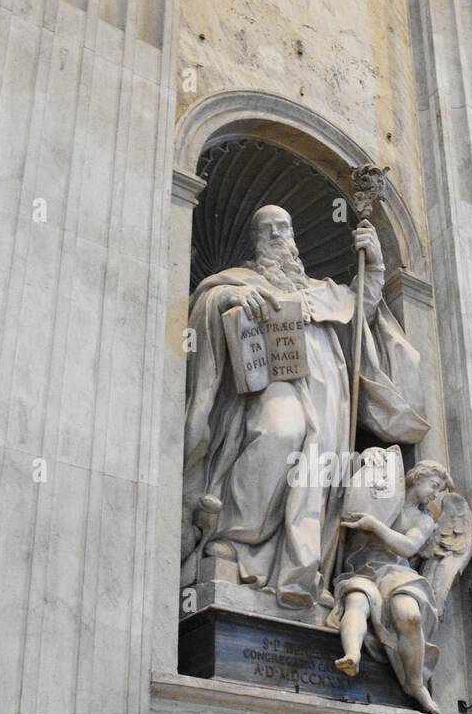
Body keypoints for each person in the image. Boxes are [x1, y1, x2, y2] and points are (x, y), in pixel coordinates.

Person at [181, 204, 428, 609]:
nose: (279, 237)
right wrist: (235, 295)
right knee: (281, 433)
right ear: (256, 241)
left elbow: (360, 309)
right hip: (271, 384)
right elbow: (209, 297)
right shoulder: (243, 280)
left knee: (317, 470)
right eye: (269, 230)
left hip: (327, 393)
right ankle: (236, 540)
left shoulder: (321, 290)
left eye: (285, 228)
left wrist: (377, 262)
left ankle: (299, 572)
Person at [328, 460, 453, 714]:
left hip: (396, 573)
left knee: (409, 614)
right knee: (357, 601)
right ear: (417, 477)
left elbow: (407, 548)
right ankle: (352, 655)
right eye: (434, 486)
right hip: (362, 569)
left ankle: (416, 684)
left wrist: (375, 525)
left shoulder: (425, 520)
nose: (434, 494)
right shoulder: (380, 493)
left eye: (439, 491)